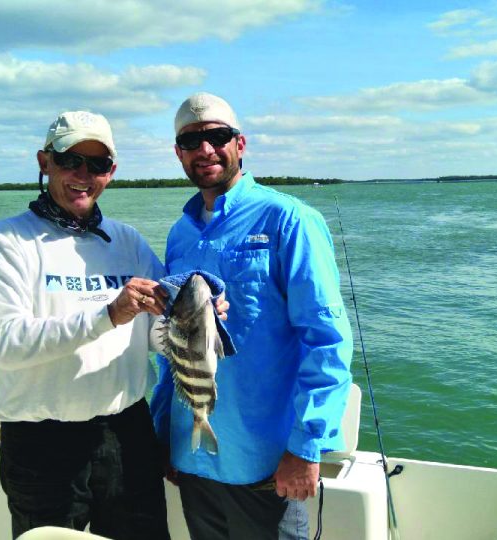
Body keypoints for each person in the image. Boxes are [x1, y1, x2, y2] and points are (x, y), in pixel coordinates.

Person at [151, 92, 354, 539]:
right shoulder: (180, 233)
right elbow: (175, 347)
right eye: (190, 142)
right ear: (178, 153)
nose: (205, 150)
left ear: (239, 144)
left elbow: (327, 339)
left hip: (267, 465)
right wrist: (163, 429)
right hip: (192, 460)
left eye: (217, 137)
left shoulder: (290, 219)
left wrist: (305, 448)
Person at [0, 111, 171, 539]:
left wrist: (195, 316)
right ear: (45, 162)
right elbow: (3, 340)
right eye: (70, 160)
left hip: (127, 433)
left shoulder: (128, 241)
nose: (84, 174)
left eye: (97, 164)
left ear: (111, 172)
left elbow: (156, 332)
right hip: (42, 445)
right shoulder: (5, 242)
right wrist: (107, 315)